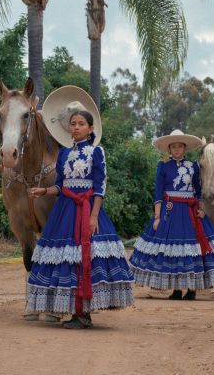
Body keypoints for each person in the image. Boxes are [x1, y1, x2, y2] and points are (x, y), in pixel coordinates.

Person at [25, 86, 135, 329]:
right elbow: (61, 186)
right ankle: (75, 312)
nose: (75, 127)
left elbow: (100, 186)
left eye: (80, 124)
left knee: (87, 259)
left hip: (87, 210)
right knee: (68, 260)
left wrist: (94, 216)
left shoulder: (97, 152)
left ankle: (84, 315)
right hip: (65, 211)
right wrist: (43, 191)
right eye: (72, 123)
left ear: (90, 128)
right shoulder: (63, 154)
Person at [129, 130, 214, 299]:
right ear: (169, 149)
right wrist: (157, 217)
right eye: (173, 147)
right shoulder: (163, 166)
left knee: (192, 250)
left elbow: (198, 191)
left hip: (190, 212)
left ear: (185, 149)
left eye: (180, 146)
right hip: (169, 212)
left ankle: (192, 289)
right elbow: (158, 193)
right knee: (172, 252)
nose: (177, 149)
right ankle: (176, 290)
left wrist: (201, 209)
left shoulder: (193, 167)